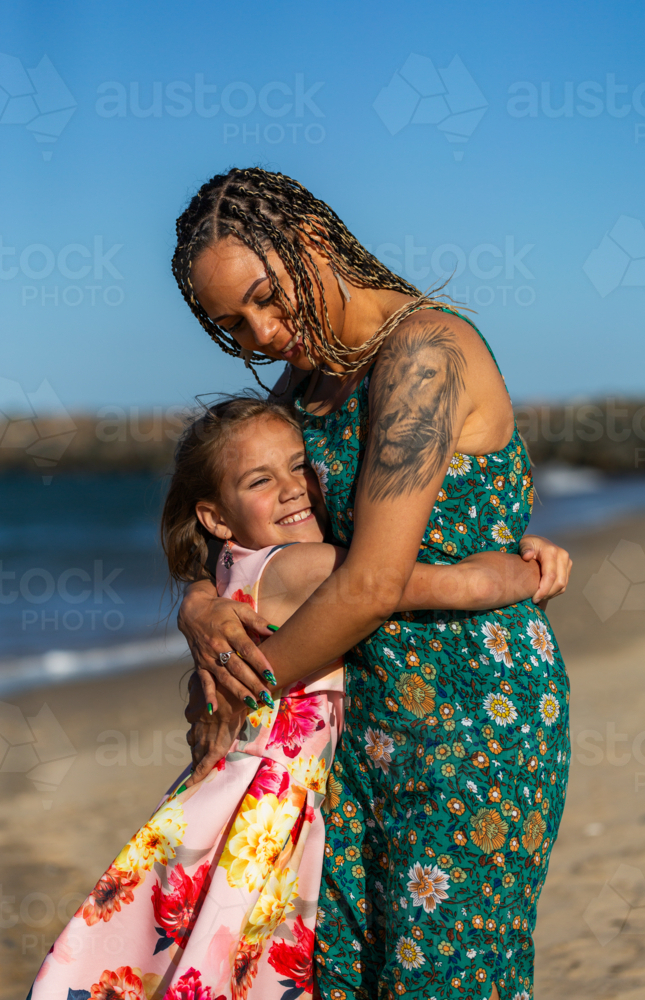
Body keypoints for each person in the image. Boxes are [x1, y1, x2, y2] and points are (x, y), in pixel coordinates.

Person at [173, 169, 571, 1000]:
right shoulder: (308, 377)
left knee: (443, 981)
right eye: (232, 325)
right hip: (349, 722)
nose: (262, 333)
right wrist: (200, 603)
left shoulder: (424, 352)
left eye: (267, 297)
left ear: (313, 241)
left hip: (471, 723)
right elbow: (218, 510)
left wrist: (235, 700)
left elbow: (371, 583)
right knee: (348, 978)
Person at [28, 396, 556, 1000]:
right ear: (217, 518)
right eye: (259, 480)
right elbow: (462, 585)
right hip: (264, 811)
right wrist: (534, 566)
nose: (292, 489)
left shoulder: (234, 567)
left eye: (300, 465)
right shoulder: (299, 565)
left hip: (230, 796)